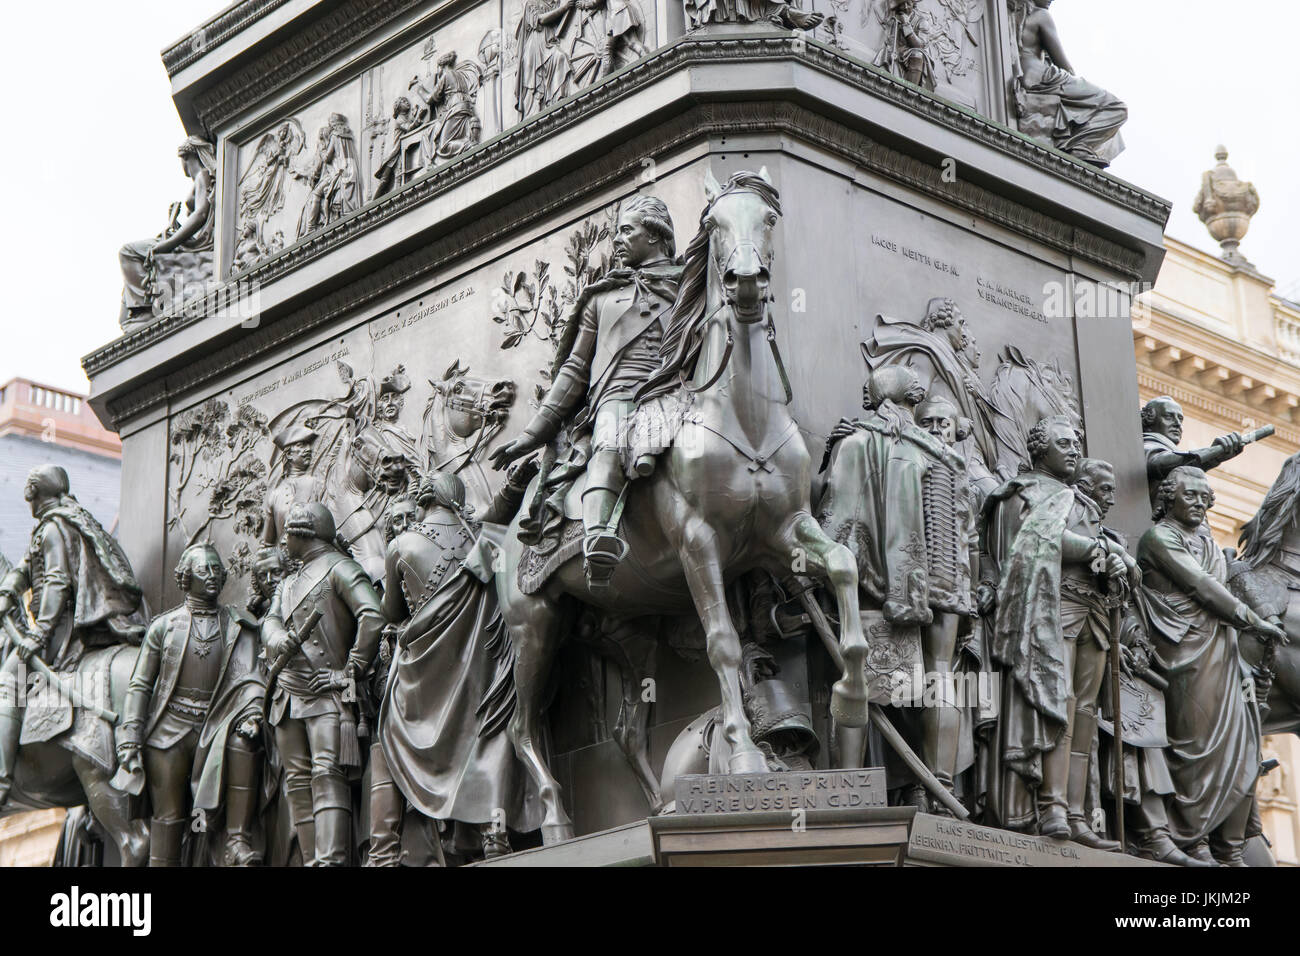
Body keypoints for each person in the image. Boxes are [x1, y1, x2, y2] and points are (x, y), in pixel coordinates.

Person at [489, 193, 683, 585]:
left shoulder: (688, 288)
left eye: (628, 231)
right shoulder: (601, 297)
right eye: (616, 233)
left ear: (657, 235)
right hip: (619, 398)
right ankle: (598, 540)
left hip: (677, 393)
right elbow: (575, 371)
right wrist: (531, 434)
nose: (617, 240)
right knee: (609, 437)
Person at [980, 416, 1128, 836]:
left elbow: (1103, 553)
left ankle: (1079, 816)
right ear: (1039, 449)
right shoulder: (1021, 493)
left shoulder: (1081, 502)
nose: (1073, 449)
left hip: (1094, 616)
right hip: (1050, 610)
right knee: (1057, 705)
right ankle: (1051, 809)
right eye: (1063, 443)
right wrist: (1101, 551)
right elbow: (1033, 541)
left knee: (1084, 715)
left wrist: (1119, 562)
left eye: (1077, 442)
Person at [1136, 466, 1283, 865]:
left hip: (1222, 651)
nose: (1201, 502)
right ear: (1168, 498)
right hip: (1183, 652)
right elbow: (1201, 587)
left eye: (1205, 496)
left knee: (1241, 746)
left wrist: (1242, 667)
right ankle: (1191, 837)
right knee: (1193, 747)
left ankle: (1226, 846)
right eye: (1191, 495)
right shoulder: (1159, 538)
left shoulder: (1205, 540)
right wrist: (1252, 619)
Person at [0, 466, 146, 806]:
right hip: (66, 624)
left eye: (30, 494)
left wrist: (38, 634)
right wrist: (9, 591)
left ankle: (2, 779)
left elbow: (56, 582)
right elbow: (26, 566)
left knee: (8, 682)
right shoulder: (61, 520)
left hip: (62, 632)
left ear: (36, 493)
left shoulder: (53, 527)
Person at [116, 545, 266, 866]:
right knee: (168, 818)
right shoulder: (164, 627)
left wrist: (252, 713)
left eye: (216, 570)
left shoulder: (238, 625)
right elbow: (141, 683)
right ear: (186, 578)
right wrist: (130, 736)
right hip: (169, 734)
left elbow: (249, 675)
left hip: (214, 729)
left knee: (201, 817)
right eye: (203, 570)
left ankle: (226, 846)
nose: (212, 576)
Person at [261, 503, 384, 866]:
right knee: (296, 780)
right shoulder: (286, 584)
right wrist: (277, 637)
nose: (282, 542)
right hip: (287, 693)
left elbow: (372, 616)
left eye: (287, 534)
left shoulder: (341, 568)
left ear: (304, 533)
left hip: (326, 690)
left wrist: (351, 670)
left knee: (327, 773)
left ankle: (331, 860)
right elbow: (268, 621)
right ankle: (312, 858)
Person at [1008, 0, 1126, 167]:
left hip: (1025, 76)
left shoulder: (1014, 14)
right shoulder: (1041, 16)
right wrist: (1076, 89)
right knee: (1116, 107)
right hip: (1045, 78)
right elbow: (1064, 64)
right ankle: (1078, 146)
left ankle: (1078, 144)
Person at [118, 137, 217, 328]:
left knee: (127, 252)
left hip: (193, 244)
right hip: (183, 239)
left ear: (185, 156)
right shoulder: (199, 179)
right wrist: (174, 223)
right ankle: (139, 308)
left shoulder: (203, 175)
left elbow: (200, 215)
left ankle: (145, 309)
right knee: (126, 290)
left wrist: (166, 245)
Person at [1141, 396, 1245, 508]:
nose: (1177, 424)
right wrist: (1209, 453)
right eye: (1168, 417)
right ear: (1149, 418)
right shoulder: (1146, 444)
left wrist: (1214, 458)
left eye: (1180, 419)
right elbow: (1159, 462)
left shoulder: (1168, 450)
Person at [262, 426, 325, 546]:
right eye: (301, 445)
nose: (308, 449)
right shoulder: (275, 495)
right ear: (289, 454)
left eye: (309, 445)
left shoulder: (317, 484)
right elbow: (267, 543)